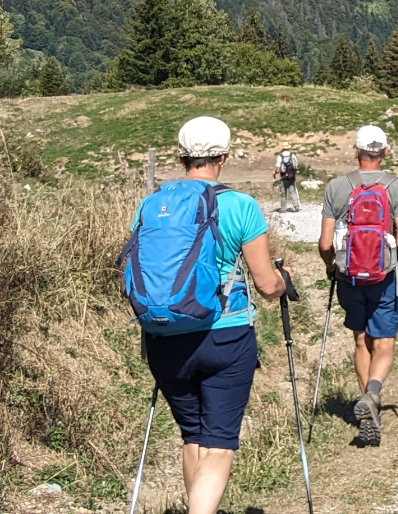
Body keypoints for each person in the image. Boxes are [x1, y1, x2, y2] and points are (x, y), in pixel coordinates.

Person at [130, 117, 291, 514]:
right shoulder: (240, 205)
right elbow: (266, 284)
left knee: (192, 435)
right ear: (223, 156)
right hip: (226, 335)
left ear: (181, 157)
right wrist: (284, 282)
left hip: (164, 335)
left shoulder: (151, 205)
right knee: (218, 443)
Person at [318, 124, 398, 446]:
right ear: (386, 152)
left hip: (348, 277)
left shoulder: (337, 187)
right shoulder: (397, 187)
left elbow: (325, 243)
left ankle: (368, 409)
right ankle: (373, 394)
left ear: (356, 151)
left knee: (360, 341)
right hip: (385, 277)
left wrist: (331, 267)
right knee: (384, 344)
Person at [272, 144, 300, 213]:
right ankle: (296, 206)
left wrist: (274, 173)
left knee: (283, 193)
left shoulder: (280, 156)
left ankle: (283, 208)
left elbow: (278, 169)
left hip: (284, 177)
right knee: (293, 192)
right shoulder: (293, 156)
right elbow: (296, 166)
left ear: (282, 148)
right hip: (292, 176)